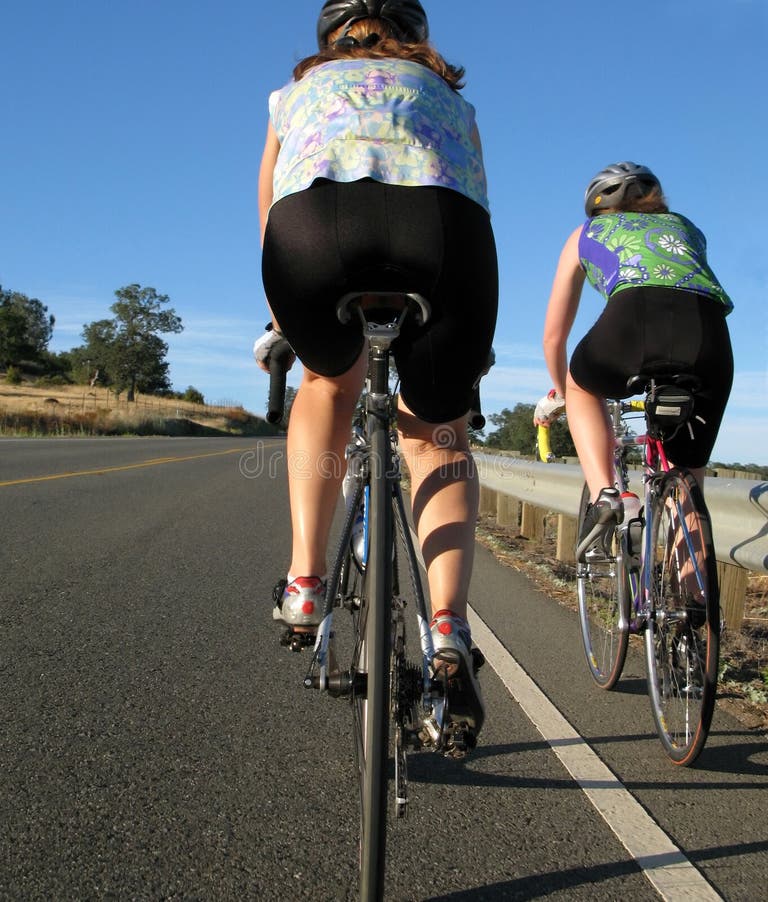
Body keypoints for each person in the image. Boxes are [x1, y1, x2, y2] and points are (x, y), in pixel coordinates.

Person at [253, 0, 498, 740]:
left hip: (312, 232)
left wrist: (282, 317)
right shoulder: (453, 98)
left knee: (328, 382)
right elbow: (477, 195)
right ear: (417, 39)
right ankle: (448, 629)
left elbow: (271, 204)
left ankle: (304, 582)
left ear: (328, 41)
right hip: (444, 233)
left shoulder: (292, 96)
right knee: (437, 430)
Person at [534, 161, 734, 560]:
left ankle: (606, 494)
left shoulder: (585, 233)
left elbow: (554, 336)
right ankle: (694, 604)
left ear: (597, 206)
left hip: (630, 323)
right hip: (708, 337)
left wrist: (561, 391)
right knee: (688, 477)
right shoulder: (687, 227)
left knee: (581, 387)